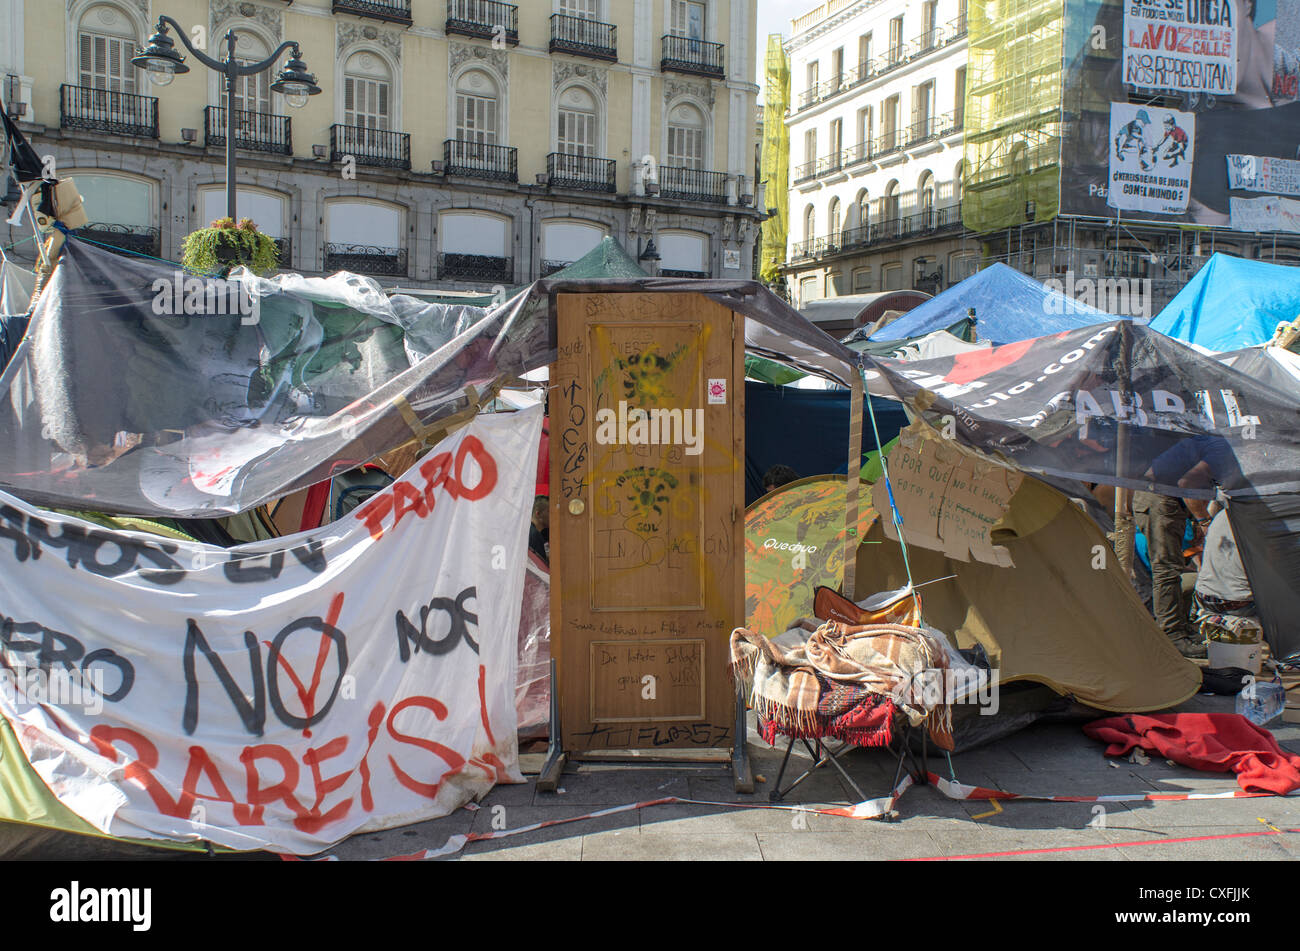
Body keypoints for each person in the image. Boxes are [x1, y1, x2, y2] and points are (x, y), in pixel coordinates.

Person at [528, 496, 549, 564]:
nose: (554, 515)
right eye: (549, 511)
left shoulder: (527, 530)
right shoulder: (534, 534)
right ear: (538, 514)